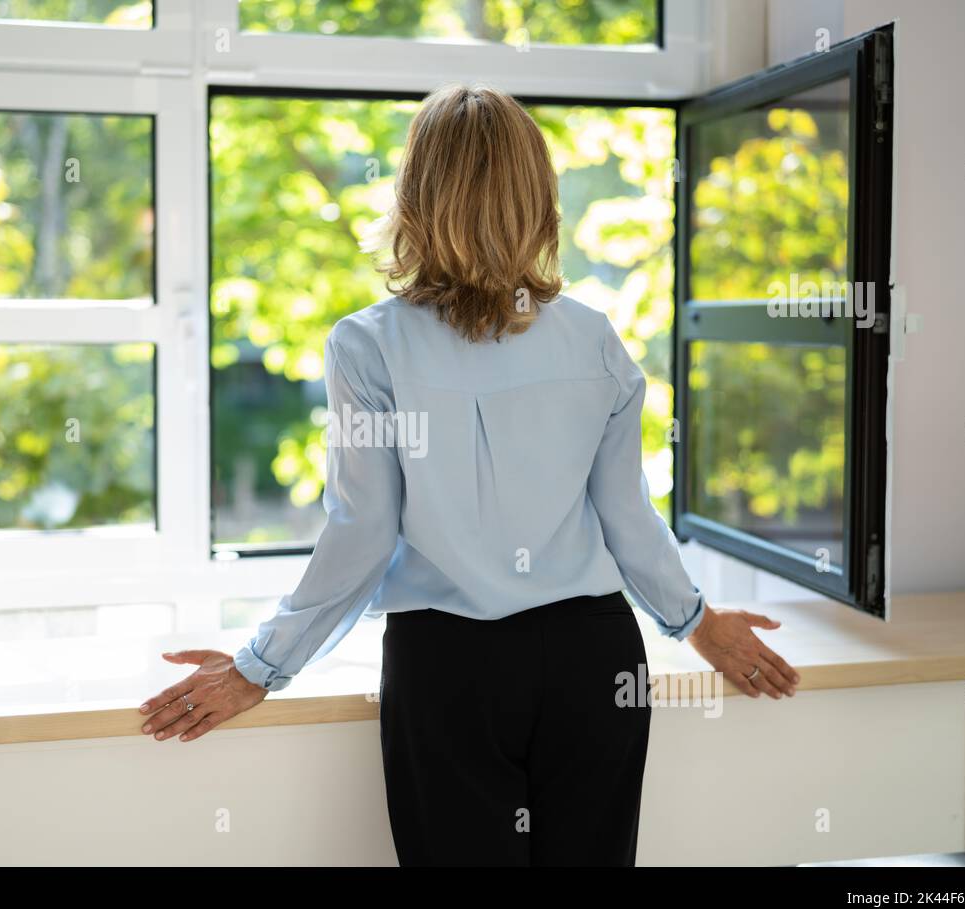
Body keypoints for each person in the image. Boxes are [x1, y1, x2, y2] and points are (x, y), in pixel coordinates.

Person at [138, 83, 799, 866]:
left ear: (416, 199)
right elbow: (628, 516)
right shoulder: (593, 339)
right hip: (596, 663)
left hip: (449, 670)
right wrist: (699, 624)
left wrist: (260, 666)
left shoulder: (367, 345)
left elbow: (364, 532)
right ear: (539, 200)